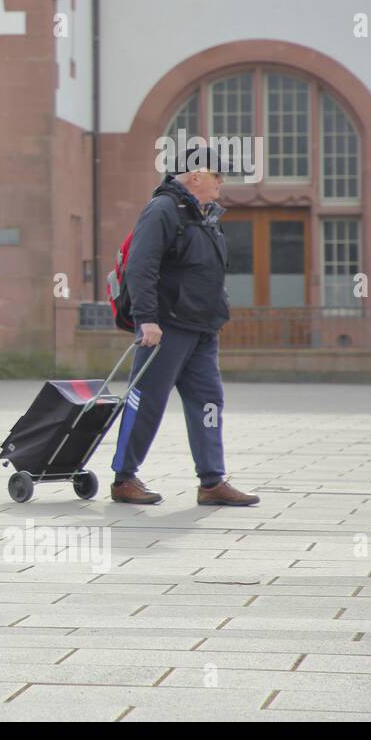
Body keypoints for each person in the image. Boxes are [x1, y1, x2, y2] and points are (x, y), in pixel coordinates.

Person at [110, 147, 259, 507]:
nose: (222, 182)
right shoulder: (162, 210)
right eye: (217, 175)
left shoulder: (205, 216)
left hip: (203, 328)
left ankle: (211, 481)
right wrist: (147, 319)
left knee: (209, 401)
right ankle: (124, 478)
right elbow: (140, 267)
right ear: (195, 176)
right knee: (146, 402)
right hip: (166, 327)